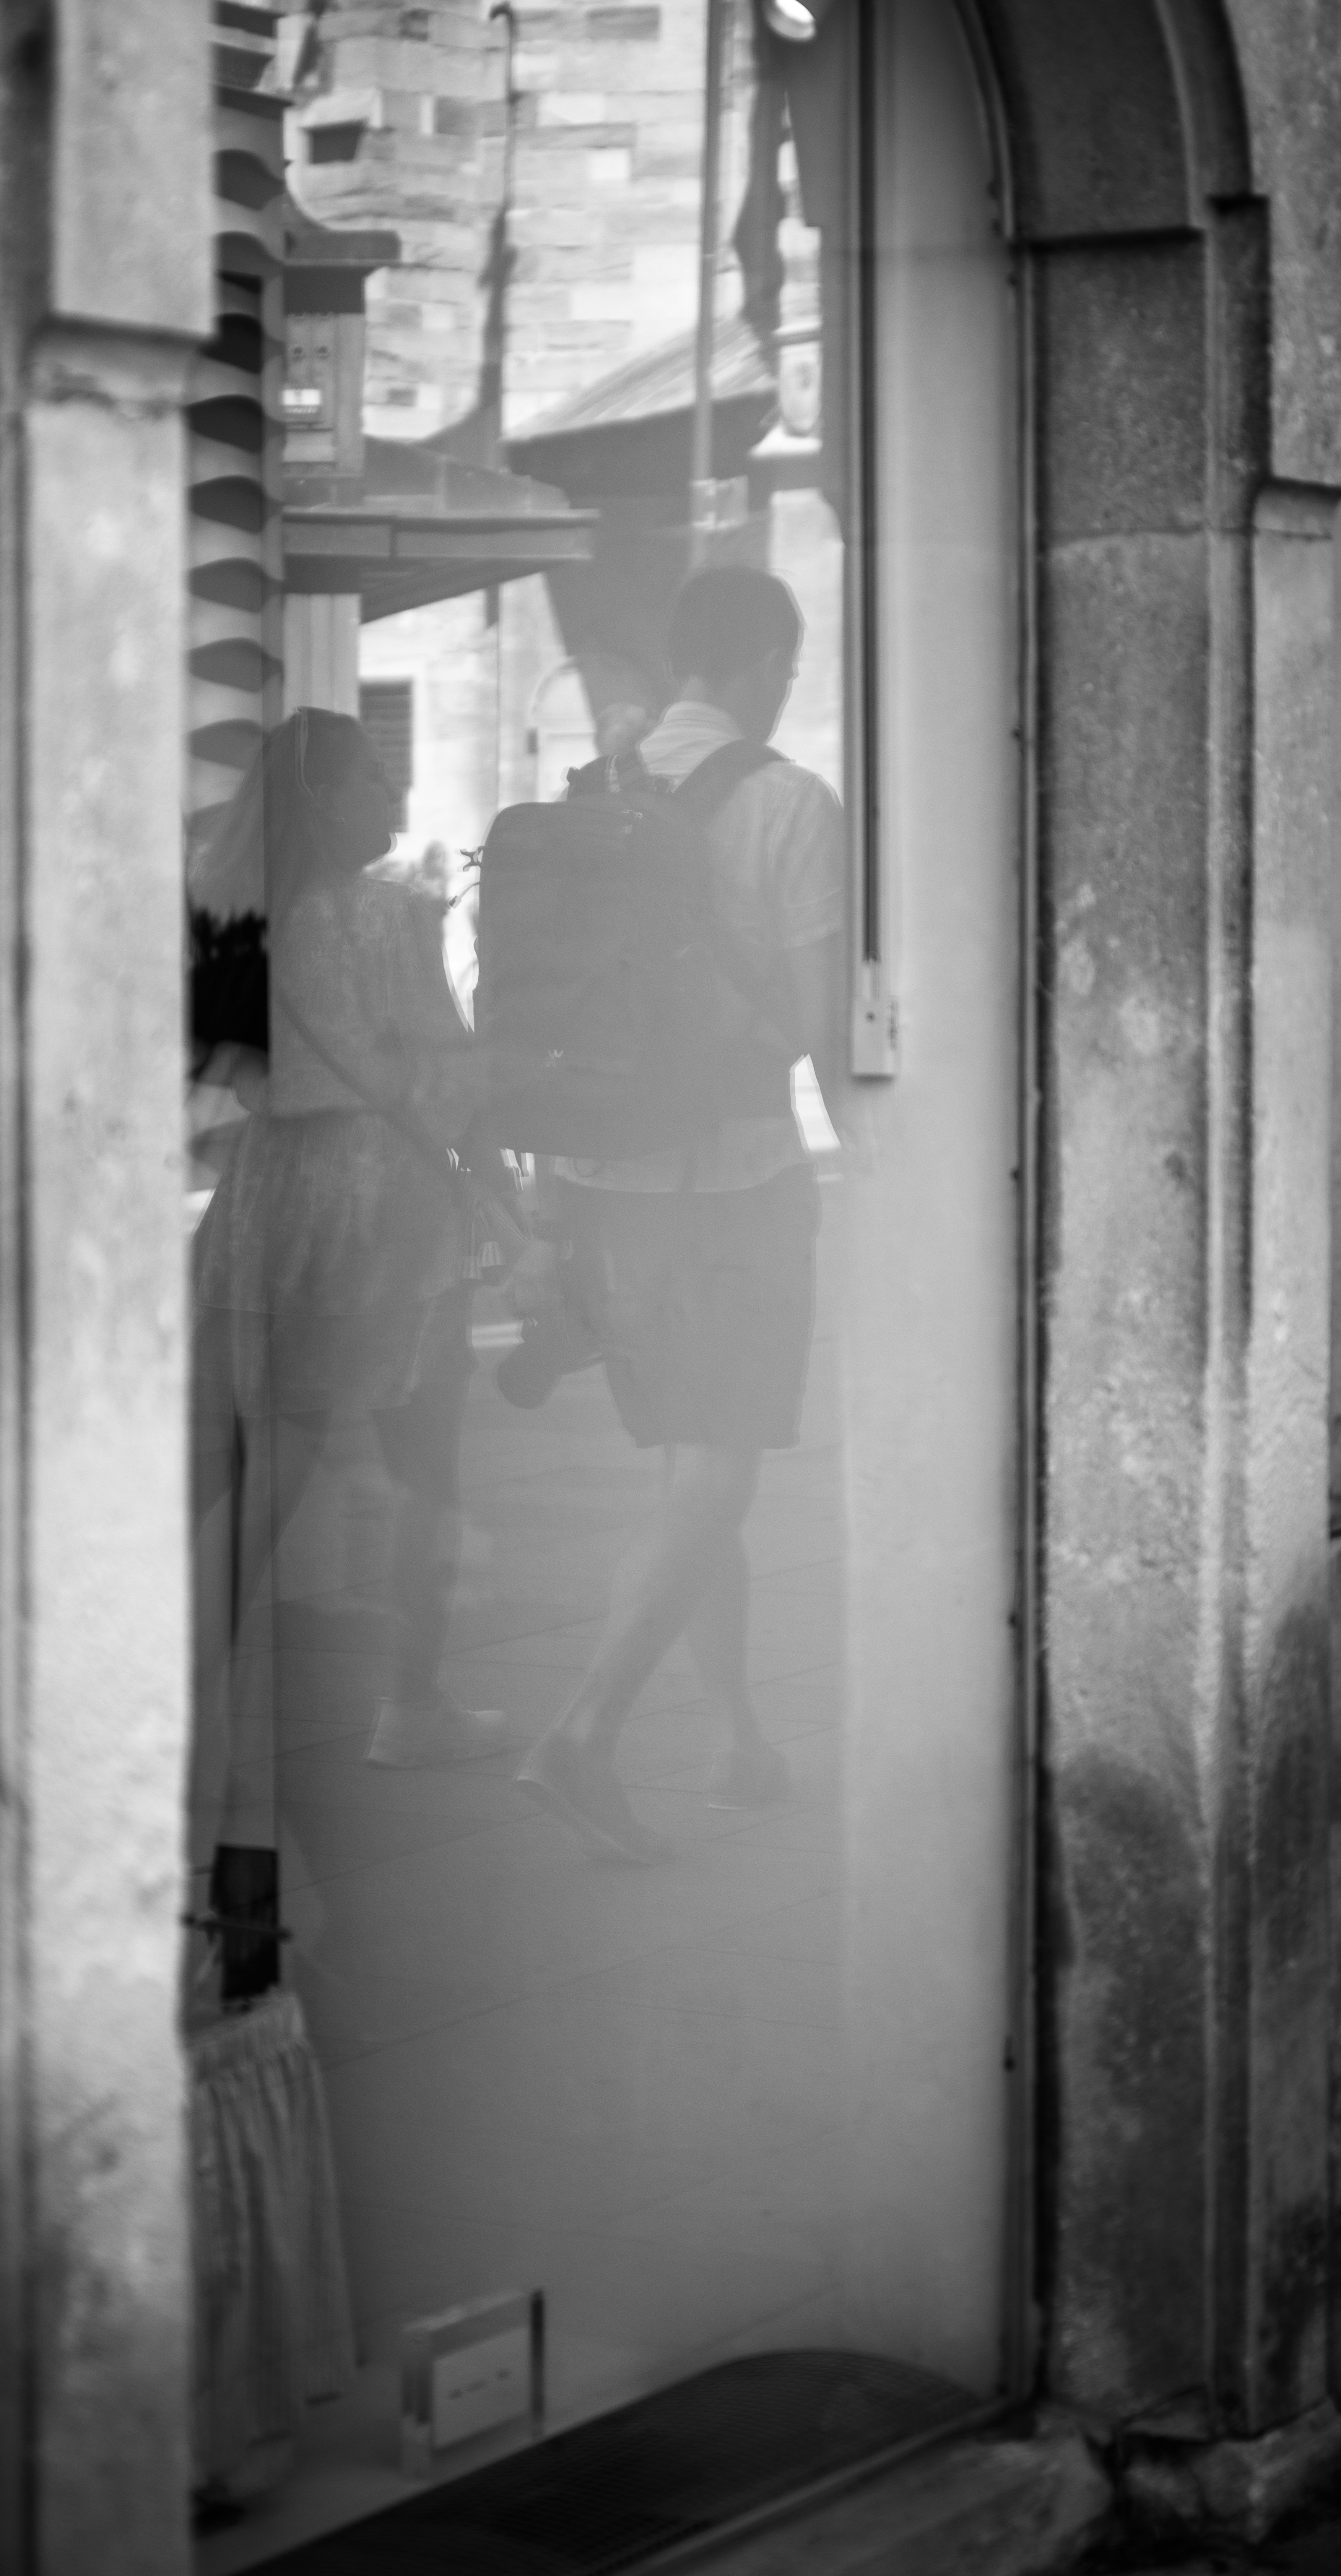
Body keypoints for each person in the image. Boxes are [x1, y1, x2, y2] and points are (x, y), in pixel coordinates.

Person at [515, 567, 845, 1862]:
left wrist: (549, 1207)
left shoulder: (600, 788)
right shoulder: (787, 803)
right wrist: (883, 1152)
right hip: (731, 1184)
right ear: (764, 663)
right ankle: (582, 1732)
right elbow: (818, 1024)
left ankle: (734, 1736)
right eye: (788, 669)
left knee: (692, 1468)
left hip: (605, 1186)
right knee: (716, 1468)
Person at [188, 709, 513, 1974]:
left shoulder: (243, 915)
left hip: (270, 1196)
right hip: (382, 1204)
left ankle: (196, 1675)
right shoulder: (388, 916)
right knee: (426, 1454)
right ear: (327, 801)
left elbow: (224, 1073)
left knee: (266, 1461)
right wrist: (501, 1175)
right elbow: (450, 1081)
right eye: (377, 778)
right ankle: (410, 1699)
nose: (397, 792)